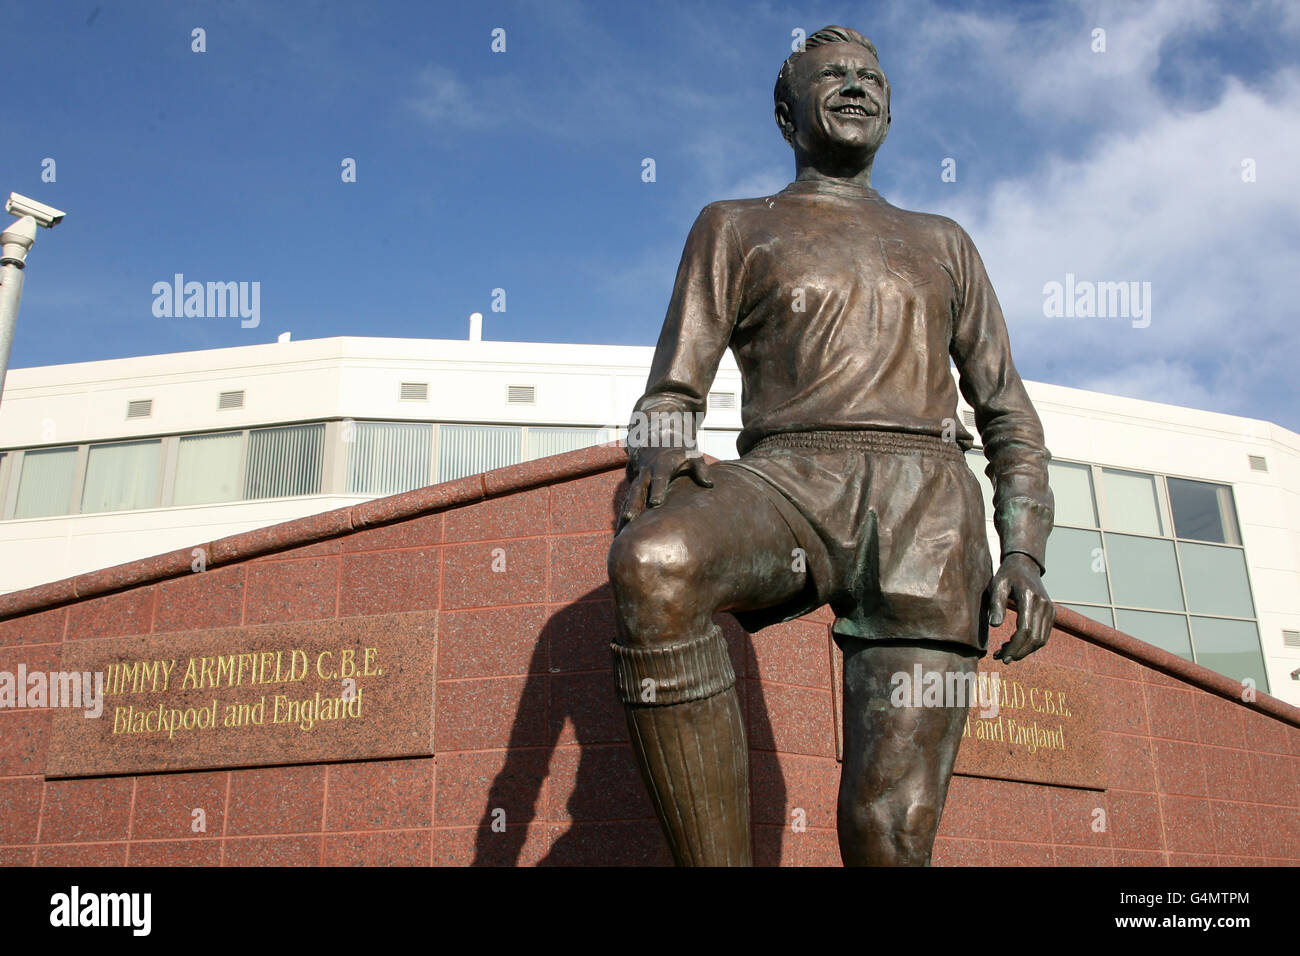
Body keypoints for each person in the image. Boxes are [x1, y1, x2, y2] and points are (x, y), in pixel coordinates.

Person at [608, 25, 1055, 866]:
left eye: (870, 78)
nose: (856, 88)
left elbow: (1008, 416)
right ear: (787, 113)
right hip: (788, 481)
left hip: (927, 516)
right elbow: (669, 392)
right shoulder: (735, 226)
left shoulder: (946, 241)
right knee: (656, 562)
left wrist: (1024, 551)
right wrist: (658, 449)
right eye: (833, 77)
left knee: (890, 831)